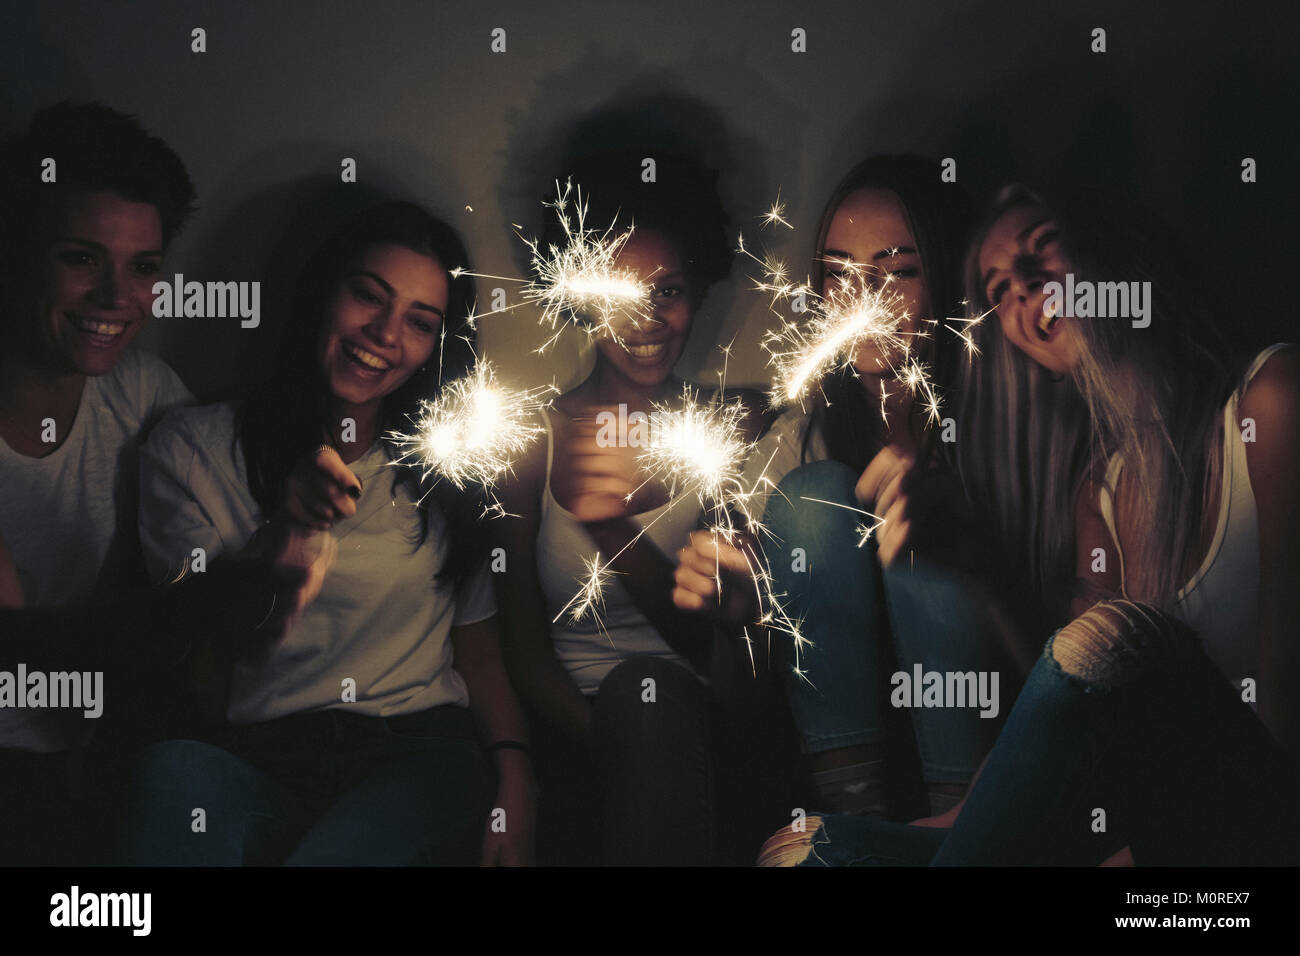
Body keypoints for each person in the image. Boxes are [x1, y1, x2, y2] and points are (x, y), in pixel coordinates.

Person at [772, 184, 1300, 865]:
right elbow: (1077, 719)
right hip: (1142, 811)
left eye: (1044, 250)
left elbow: (1284, 687)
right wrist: (955, 827)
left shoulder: (1270, 401)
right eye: (997, 288)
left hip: (1248, 816)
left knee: (1107, 640)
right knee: (815, 851)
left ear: (1117, 257)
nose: (1021, 288)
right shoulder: (1100, 494)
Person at [115, 202, 536, 866]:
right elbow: (201, 665)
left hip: (419, 756)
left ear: (436, 348)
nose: (385, 334)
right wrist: (288, 531)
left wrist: (515, 779)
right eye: (367, 295)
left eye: (421, 323)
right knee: (172, 773)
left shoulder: (449, 469)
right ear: (324, 291)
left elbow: (477, 650)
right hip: (262, 755)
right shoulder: (191, 451)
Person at [673, 155, 1010, 825]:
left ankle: (961, 831)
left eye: (898, 273)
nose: (862, 303)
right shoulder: (796, 445)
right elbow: (741, 716)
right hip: (849, 786)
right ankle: (859, 832)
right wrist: (738, 621)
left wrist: (960, 538)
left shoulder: (1008, 426)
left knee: (919, 511)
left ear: (946, 275)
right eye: (838, 274)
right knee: (816, 494)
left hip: (992, 761)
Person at [492, 150, 789, 864]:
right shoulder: (530, 442)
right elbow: (523, 657)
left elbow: (731, 681)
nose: (647, 319)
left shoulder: (734, 427)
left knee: (655, 690)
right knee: (642, 699)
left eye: (670, 290)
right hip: (584, 736)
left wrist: (610, 526)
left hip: (708, 727)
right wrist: (632, 747)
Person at [0, 101, 196, 864]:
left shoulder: (145, 394)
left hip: (87, 765)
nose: (118, 298)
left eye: (143, 267)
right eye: (82, 258)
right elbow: (15, 648)